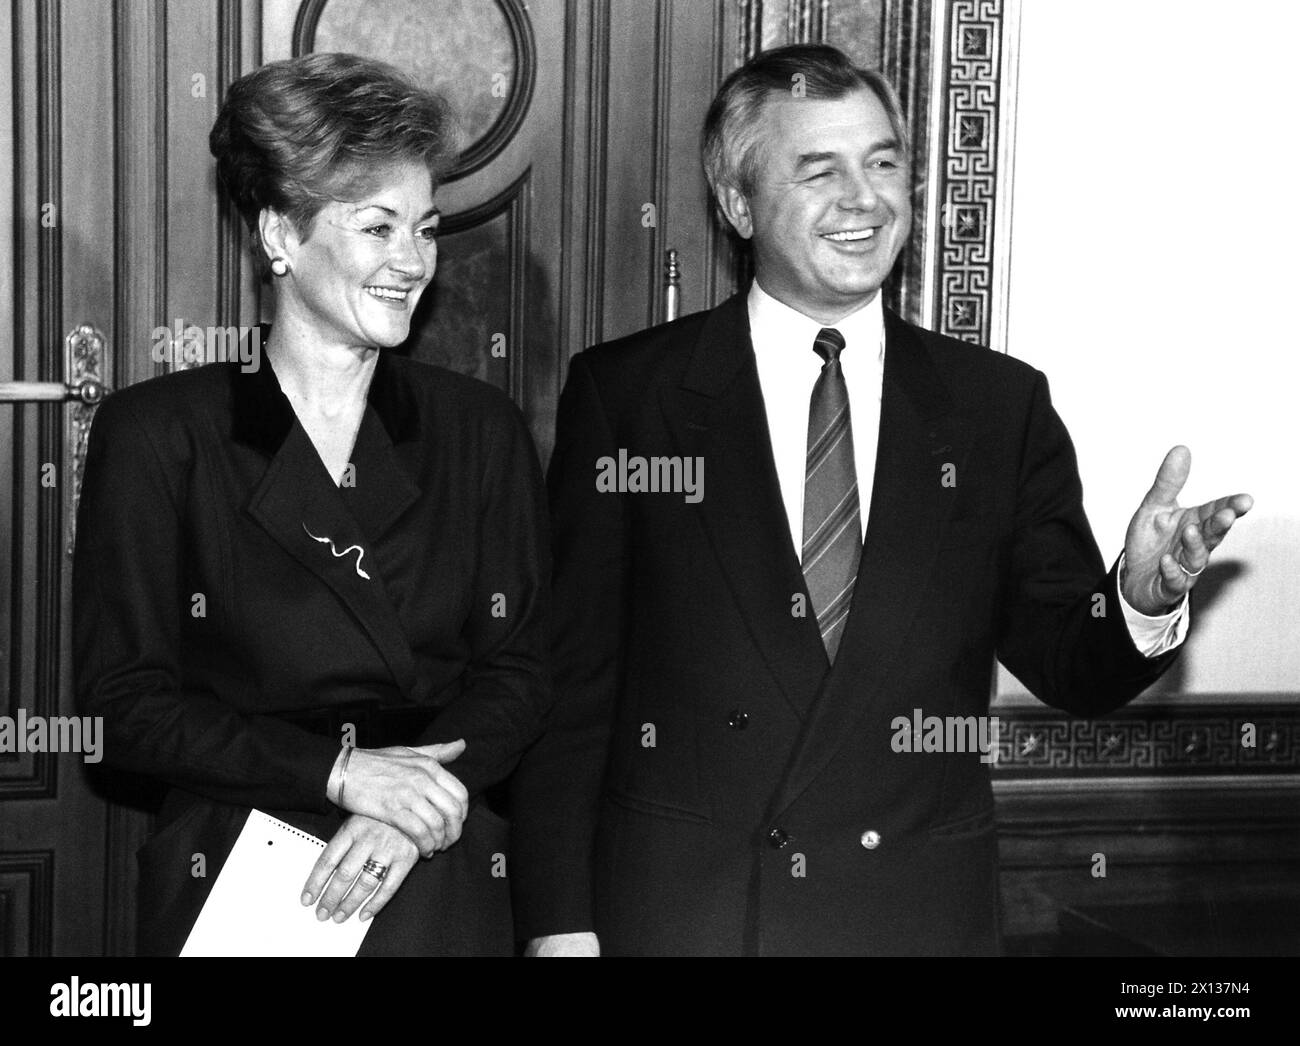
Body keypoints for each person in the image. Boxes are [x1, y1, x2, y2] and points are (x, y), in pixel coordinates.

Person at [508, 43, 1253, 956]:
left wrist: (1140, 600)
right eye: (820, 171)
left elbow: (1071, 663)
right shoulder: (629, 399)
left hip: (910, 917)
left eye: (884, 163)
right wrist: (559, 924)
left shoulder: (995, 408)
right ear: (738, 204)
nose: (864, 199)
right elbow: (574, 686)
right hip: (685, 917)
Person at [73, 52, 551, 956]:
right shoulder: (159, 434)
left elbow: (520, 675)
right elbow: (120, 708)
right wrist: (339, 775)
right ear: (280, 238)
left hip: (436, 862)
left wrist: (410, 811)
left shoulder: (479, 430)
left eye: (427, 228)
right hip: (238, 866)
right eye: (378, 228)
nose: (412, 262)